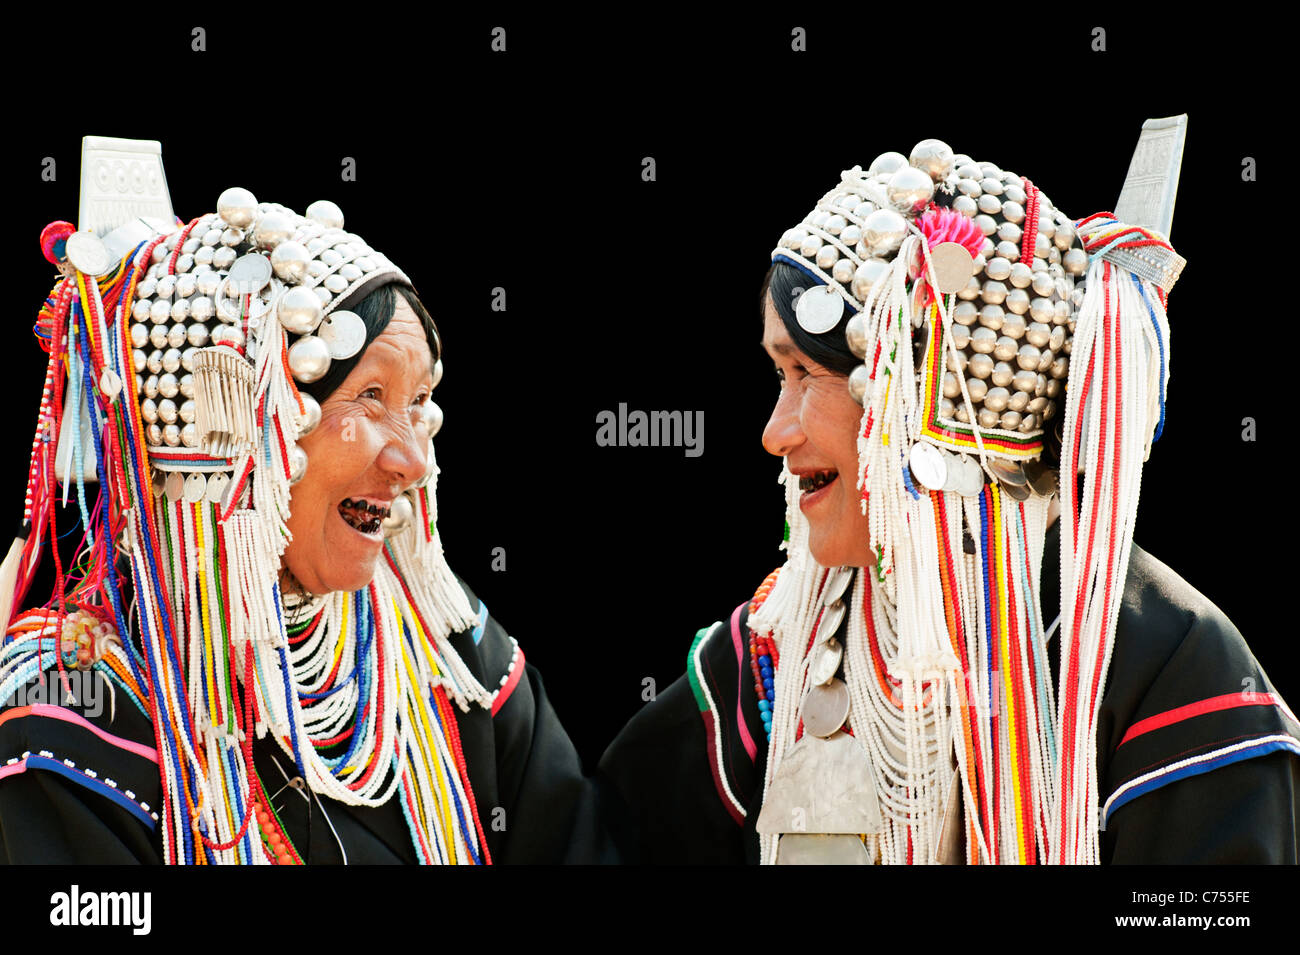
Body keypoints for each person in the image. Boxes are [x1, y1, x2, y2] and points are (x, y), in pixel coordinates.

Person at [600, 137, 1300, 864]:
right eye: (778, 375)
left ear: (920, 399)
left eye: (805, 373)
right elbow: (598, 838)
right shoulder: (780, 649)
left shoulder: (1169, 668)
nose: (775, 433)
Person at [0, 164, 620, 864]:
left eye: (418, 403)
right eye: (371, 396)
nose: (413, 460)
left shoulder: (446, 655)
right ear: (234, 432)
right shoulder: (78, 708)